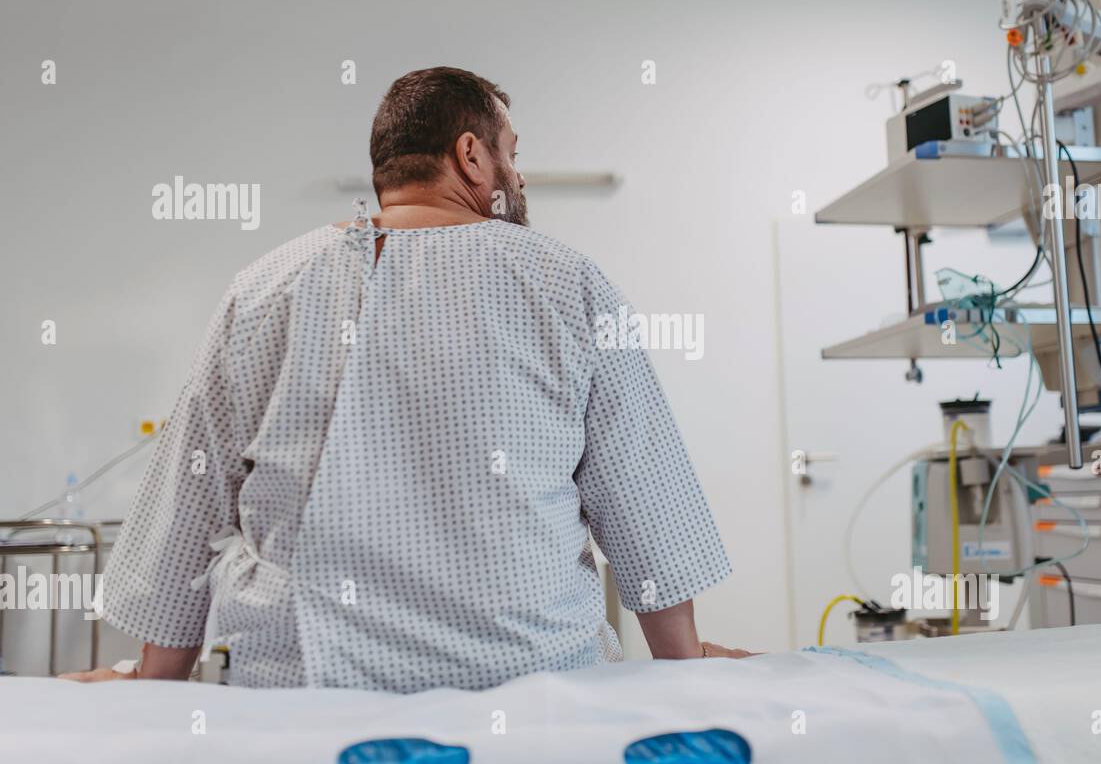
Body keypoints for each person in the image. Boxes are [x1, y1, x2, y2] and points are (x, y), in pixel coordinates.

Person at [68, 66, 748, 691]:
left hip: (305, 700)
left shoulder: (265, 287)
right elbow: (643, 497)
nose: (520, 175)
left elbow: (193, 501)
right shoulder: (566, 283)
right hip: (534, 693)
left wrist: (151, 689)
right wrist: (683, 671)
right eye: (512, 151)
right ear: (471, 154)